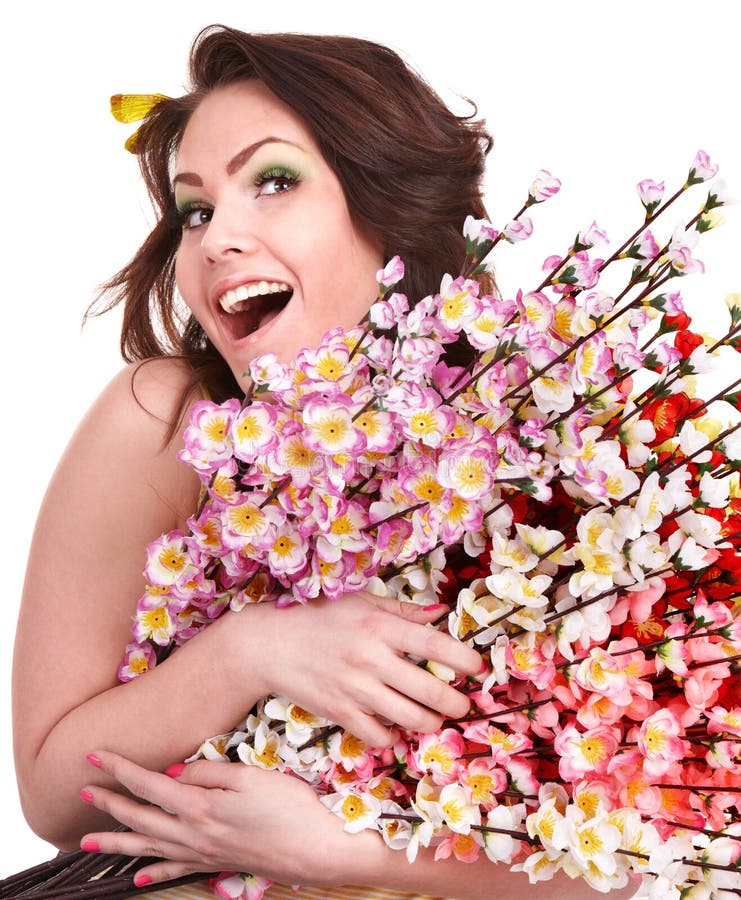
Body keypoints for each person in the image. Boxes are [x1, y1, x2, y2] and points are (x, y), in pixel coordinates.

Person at [12, 26, 637, 900]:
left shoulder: (544, 436)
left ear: (385, 205)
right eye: (195, 208)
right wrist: (249, 653)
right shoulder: (166, 421)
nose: (218, 236)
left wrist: (345, 851)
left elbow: (633, 860)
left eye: (272, 182)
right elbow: (48, 793)